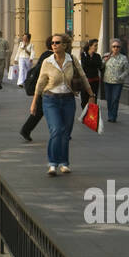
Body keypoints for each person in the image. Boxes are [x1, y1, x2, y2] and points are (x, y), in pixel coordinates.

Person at [30, 33, 92, 175]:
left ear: (65, 45)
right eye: (52, 43)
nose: (54, 45)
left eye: (57, 42)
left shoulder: (72, 60)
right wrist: (34, 102)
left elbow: (82, 76)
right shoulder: (47, 61)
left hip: (68, 100)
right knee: (56, 130)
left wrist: (91, 94)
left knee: (65, 133)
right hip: (50, 100)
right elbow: (40, 82)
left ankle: (64, 163)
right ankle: (52, 163)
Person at [102, 40, 129, 122]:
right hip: (107, 81)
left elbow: (127, 69)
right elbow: (101, 66)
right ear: (111, 48)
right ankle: (110, 114)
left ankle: (113, 116)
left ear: (120, 48)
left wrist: (121, 77)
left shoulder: (123, 58)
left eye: (118, 47)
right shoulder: (107, 55)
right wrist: (105, 60)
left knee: (115, 99)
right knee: (109, 99)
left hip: (118, 82)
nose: (116, 48)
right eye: (114, 46)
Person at [80, 39, 103, 111]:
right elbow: (84, 65)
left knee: (93, 98)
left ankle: (91, 115)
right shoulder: (83, 54)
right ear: (90, 46)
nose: (96, 47)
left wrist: (93, 63)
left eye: (97, 46)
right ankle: (85, 112)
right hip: (85, 81)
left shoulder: (97, 56)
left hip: (94, 80)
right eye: (95, 46)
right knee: (84, 98)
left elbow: (99, 66)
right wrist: (94, 63)